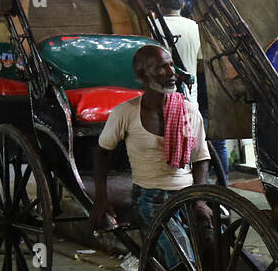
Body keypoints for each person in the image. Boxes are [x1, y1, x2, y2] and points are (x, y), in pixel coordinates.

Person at [88, 45, 211, 259]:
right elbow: (102, 153)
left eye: (172, 65)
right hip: (149, 197)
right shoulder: (125, 112)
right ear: (142, 75)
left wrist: (200, 200)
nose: (172, 73)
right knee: (181, 255)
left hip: (187, 193)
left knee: (214, 244)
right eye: (161, 68)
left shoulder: (189, 110)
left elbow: (201, 158)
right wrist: (101, 198)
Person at [158, 0, 226, 182]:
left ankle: (178, 190)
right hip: (190, 101)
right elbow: (201, 64)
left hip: (160, 103)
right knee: (198, 151)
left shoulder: (152, 28)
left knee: (168, 152)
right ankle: (214, 191)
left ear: (159, 2)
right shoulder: (195, 28)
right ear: (181, 2)